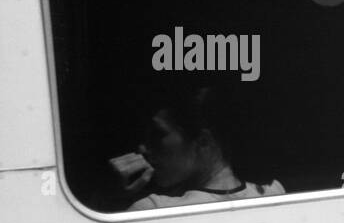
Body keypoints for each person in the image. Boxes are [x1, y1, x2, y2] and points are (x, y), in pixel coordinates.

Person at [106, 86, 284, 210]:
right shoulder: (273, 193)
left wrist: (109, 200)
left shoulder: (154, 209)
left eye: (158, 134)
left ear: (203, 142)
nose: (143, 148)